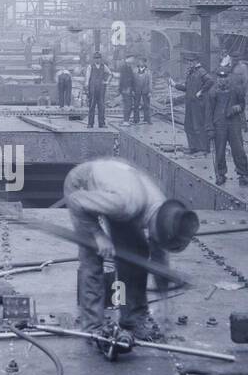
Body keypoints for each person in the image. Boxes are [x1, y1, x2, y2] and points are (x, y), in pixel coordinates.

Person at [63, 158, 196, 341]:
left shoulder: (165, 211)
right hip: (83, 187)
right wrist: (98, 235)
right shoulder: (124, 205)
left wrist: (165, 301)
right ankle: (93, 327)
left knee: (136, 253)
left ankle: (132, 318)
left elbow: (159, 257)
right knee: (93, 257)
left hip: (117, 190)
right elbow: (76, 201)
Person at [207, 63, 248, 186]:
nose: (223, 79)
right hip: (219, 125)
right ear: (217, 78)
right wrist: (210, 129)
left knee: (239, 150)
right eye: (220, 77)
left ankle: (243, 175)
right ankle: (221, 174)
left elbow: (242, 105)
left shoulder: (236, 90)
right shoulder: (213, 92)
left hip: (234, 124)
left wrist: (238, 107)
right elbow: (208, 112)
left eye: (225, 77)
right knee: (220, 151)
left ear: (229, 77)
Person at [174, 59, 211, 153]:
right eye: (188, 62)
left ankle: (204, 148)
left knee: (198, 126)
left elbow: (210, 81)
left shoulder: (201, 71)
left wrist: (201, 91)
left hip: (198, 104)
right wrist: (175, 85)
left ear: (195, 62)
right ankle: (193, 147)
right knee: (188, 126)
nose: (189, 64)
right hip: (189, 104)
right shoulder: (190, 73)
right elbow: (186, 88)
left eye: (191, 62)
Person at [85, 54, 111, 128]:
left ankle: (102, 123)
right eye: (96, 58)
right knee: (92, 106)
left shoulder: (104, 66)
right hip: (92, 89)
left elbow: (110, 74)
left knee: (101, 106)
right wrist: (87, 86)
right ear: (94, 59)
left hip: (101, 89)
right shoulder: (90, 66)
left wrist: (107, 82)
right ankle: (90, 124)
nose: (97, 59)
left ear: (100, 59)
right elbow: (87, 77)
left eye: (99, 58)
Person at [131, 57, 153, 124]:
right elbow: (132, 81)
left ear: (144, 63)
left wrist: (150, 91)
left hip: (145, 91)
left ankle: (147, 119)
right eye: (140, 61)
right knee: (136, 105)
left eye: (142, 62)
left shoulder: (148, 72)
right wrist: (132, 90)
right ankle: (136, 120)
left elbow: (150, 82)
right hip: (136, 90)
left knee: (146, 105)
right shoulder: (134, 71)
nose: (141, 63)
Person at [118, 56, 135, 123]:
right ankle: (125, 120)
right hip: (126, 89)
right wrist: (125, 88)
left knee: (129, 105)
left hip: (129, 89)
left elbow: (132, 79)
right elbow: (123, 79)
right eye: (132, 58)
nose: (133, 60)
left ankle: (126, 119)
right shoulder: (124, 68)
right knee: (127, 105)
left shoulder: (129, 67)